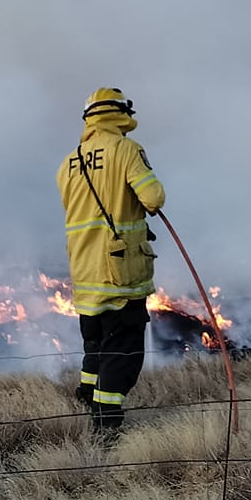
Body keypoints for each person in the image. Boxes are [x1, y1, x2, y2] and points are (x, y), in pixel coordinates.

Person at [56, 87, 164, 443]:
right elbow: (153, 198)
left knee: (96, 343)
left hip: (84, 273)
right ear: (121, 113)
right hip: (120, 273)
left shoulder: (69, 162)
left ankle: (86, 397)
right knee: (124, 351)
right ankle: (106, 427)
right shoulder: (126, 150)